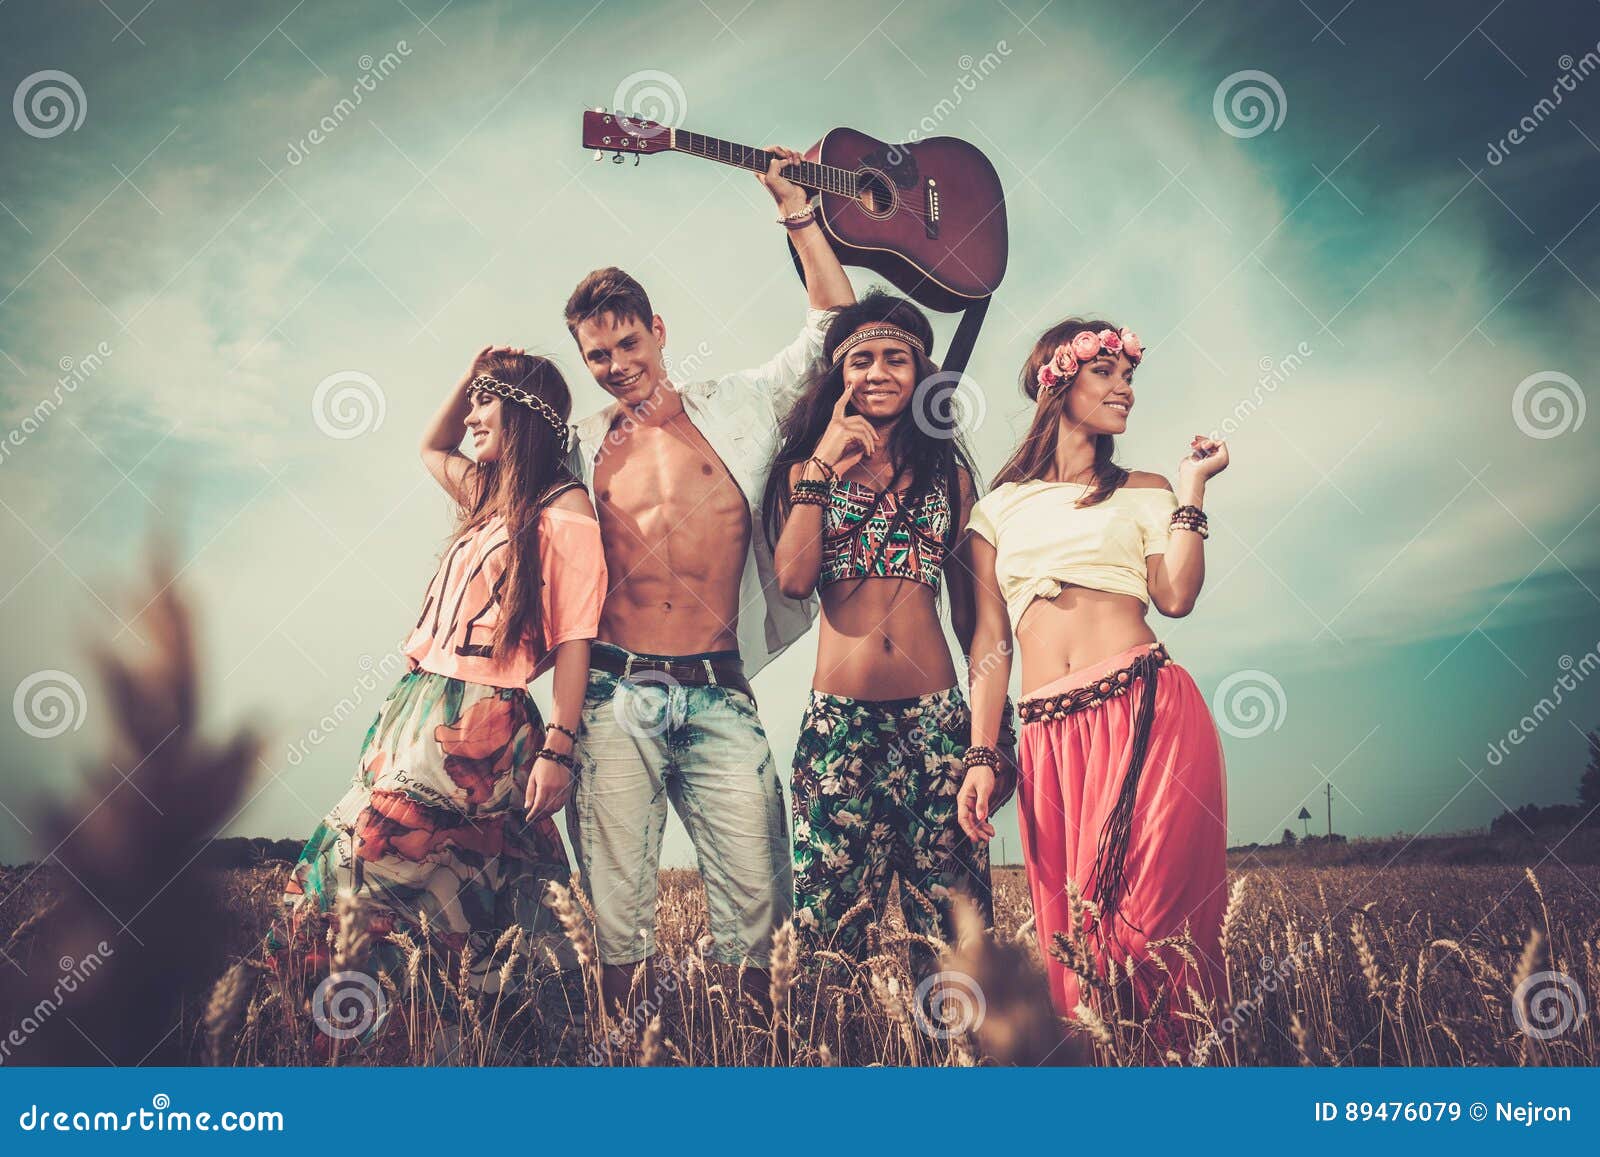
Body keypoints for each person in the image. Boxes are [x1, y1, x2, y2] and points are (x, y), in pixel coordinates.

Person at [561, 147, 855, 1016]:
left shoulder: (739, 405)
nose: (616, 364)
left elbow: (834, 325)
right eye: (596, 355)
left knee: (762, 913)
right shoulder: (579, 446)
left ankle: (750, 1062)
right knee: (616, 917)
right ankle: (628, 1071)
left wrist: (796, 211)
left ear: (658, 327)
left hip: (719, 690)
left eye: (626, 342)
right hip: (617, 692)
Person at [271, 346, 605, 1029]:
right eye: (473, 401)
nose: (472, 415)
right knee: (443, 895)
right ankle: (419, 1047)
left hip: (482, 723)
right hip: (413, 709)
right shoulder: (487, 497)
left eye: (487, 401)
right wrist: (470, 374)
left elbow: (576, 634)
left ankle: (439, 1044)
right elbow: (432, 445)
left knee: (363, 877)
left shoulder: (562, 504)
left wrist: (561, 745)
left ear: (526, 414)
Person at [957, 319, 1230, 1041]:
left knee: (1153, 929)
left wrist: (1194, 491)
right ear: (1058, 379)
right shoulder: (997, 509)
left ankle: (1184, 1075)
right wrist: (984, 754)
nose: (1125, 390)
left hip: (1147, 711)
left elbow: (1175, 596)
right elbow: (990, 644)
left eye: (1129, 376)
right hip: (1050, 738)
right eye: (1106, 372)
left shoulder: (1147, 490)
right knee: (1076, 947)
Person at [762, 290, 998, 989]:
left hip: (937, 728)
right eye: (860, 360)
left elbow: (978, 622)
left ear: (923, 371)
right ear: (838, 378)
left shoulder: (950, 478)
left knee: (954, 935)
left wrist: (986, 740)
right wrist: (825, 467)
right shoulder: (804, 472)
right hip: (841, 728)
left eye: (896, 358)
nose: (878, 372)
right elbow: (796, 578)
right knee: (827, 938)